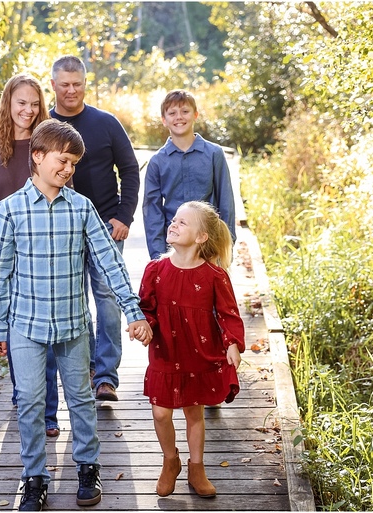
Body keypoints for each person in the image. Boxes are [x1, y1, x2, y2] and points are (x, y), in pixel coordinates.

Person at [0, 119, 153, 511]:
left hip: (73, 326)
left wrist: (133, 311)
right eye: (63, 161)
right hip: (25, 327)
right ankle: (34, 477)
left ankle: (87, 466)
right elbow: (1, 274)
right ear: (38, 156)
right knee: (29, 401)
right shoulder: (10, 210)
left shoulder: (81, 208)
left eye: (74, 164)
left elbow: (111, 263)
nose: (68, 170)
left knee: (80, 399)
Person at [0, 73, 61, 438]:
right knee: (10, 330)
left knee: (45, 335)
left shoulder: (45, 149)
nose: (28, 109)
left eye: (35, 103)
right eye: (21, 102)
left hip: (38, 249)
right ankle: (25, 399)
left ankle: (48, 413)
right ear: (8, 103)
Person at [138, 201, 245, 498]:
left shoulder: (214, 275)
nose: (173, 224)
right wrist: (143, 325)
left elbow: (228, 314)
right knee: (161, 413)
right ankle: (170, 461)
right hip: (165, 350)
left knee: (193, 411)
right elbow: (145, 307)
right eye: (174, 220)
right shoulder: (155, 270)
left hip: (198, 352)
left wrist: (233, 343)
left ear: (201, 237)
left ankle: (197, 468)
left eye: (182, 222)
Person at [49, 55, 141, 402]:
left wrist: (124, 216)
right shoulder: (46, 126)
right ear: (53, 84)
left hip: (105, 224)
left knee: (106, 298)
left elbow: (130, 169)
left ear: (85, 84)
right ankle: (84, 368)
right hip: (61, 229)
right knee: (73, 301)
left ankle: (106, 376)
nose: (71, 90)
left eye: (77, 84)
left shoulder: (106, 123)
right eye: (65, 84)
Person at [143, 89, 236, 261]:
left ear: (195, 115)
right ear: (164, 120)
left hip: (209, 243)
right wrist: (157, 256)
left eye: (185, 111)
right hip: (173, 249)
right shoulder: (157, 161)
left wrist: (227, 245)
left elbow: (226, 202)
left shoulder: (214, 154)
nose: (179, 117)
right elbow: (152, 211)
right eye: (172, 113)